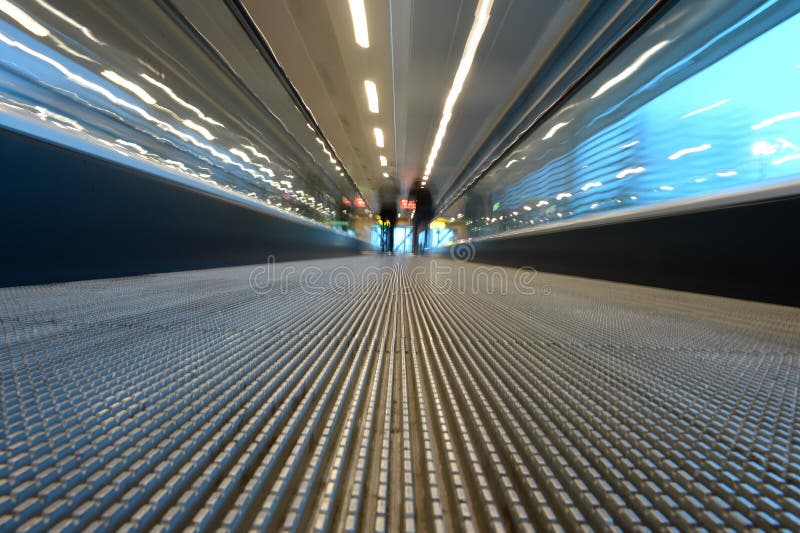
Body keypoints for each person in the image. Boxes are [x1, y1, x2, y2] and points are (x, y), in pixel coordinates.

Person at [410, 179, 434, 255]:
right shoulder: (427, 191)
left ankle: (415, 248)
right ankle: (425, 247)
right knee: (425, 229)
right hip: (427, 213)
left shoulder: (416, 191)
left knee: (415, 229)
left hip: (420, 212)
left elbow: (410, 197)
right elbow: (431, 202)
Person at [377, 178, 399, 254]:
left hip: (383, 208)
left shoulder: (381, 185)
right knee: (391, 230)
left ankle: (382, 246)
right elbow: (398, 195)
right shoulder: (395, 186)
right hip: (392, 209)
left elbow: (379, 196)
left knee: (383, 227)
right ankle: (390, 249)